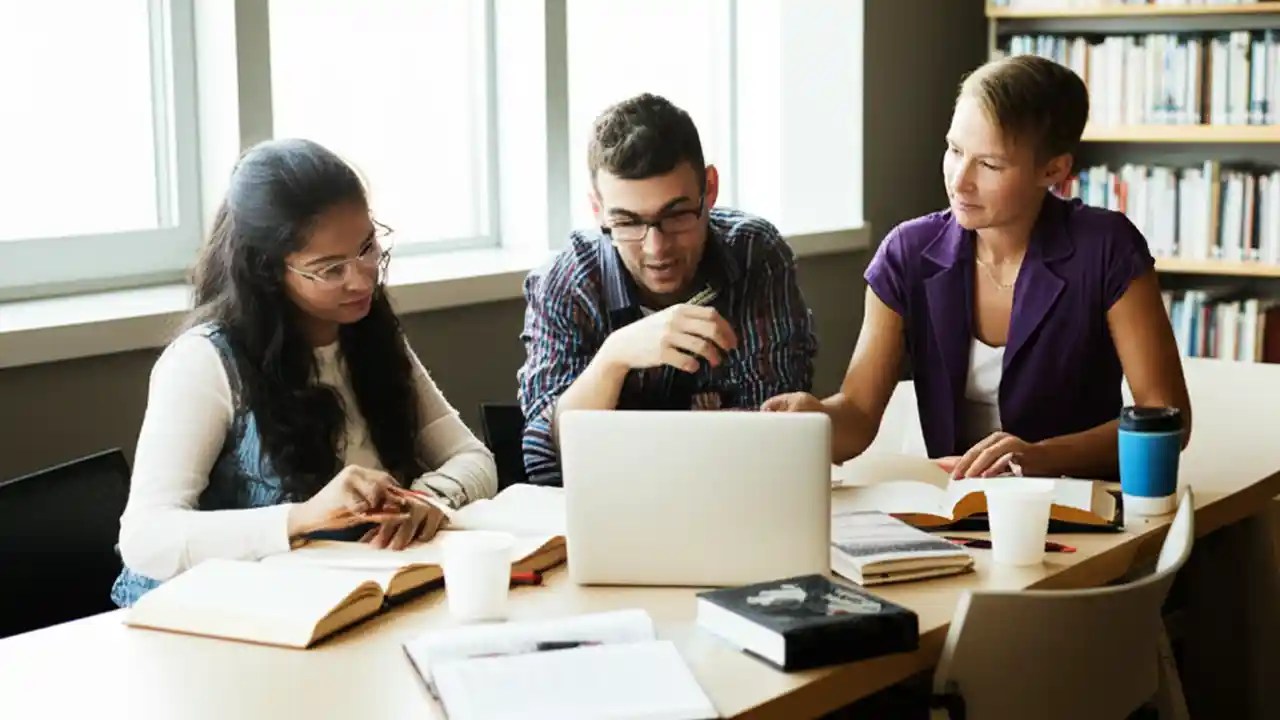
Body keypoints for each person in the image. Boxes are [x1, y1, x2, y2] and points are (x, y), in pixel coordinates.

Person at [765, 55, 1191, 479]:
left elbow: (1166, 420)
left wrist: (1040, 457)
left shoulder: (1107, 248)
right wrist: (815, 420)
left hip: (1079, 507)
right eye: (954, 150)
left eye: (989, 164)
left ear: (1054, 170)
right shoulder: (906, 254)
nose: (960, 179)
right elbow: (857, 414)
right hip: (954, 512)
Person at [112, 139, 497, 607]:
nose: (362, 279)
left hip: (344, 605)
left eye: (367, 248)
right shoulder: (205, 362)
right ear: (267, 271)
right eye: (329, 269)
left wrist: (429, 501)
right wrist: (302, 518)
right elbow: (146, 539)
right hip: (223, 621)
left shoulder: (368, 332)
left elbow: (473, 457)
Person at [517, 93, 818, 485]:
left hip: (734, 501)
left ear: (708, 189)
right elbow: (545, 462)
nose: (655, 248)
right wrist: (614, 358)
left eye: (676, 216)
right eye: (626, 222)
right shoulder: (568, 282)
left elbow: (776, 433)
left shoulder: (754, 256)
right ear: (598, 210)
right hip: (611, 514)